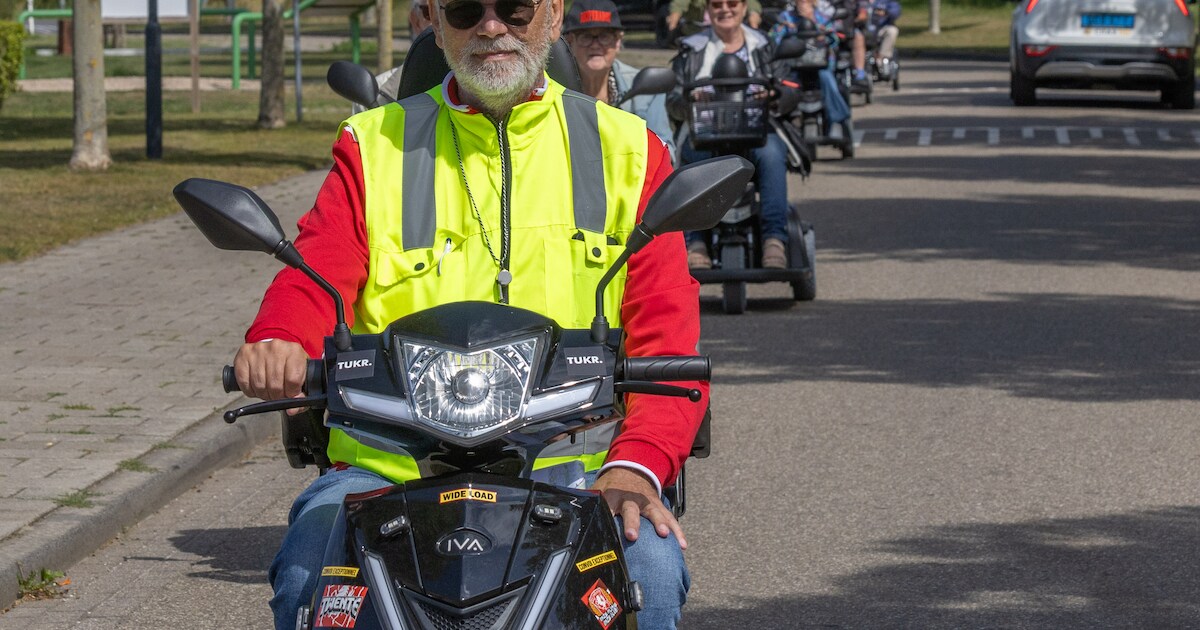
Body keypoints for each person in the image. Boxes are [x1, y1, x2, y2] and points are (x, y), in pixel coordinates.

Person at [235, 0, 706, 626]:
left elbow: (665, 330)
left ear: (554, 13)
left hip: (576, 466)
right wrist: (280, 337)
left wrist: (636, 465)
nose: (491, 27)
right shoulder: (374, 144)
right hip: (391, 466)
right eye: (464, 9)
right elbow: (318, 269)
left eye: (514, 7)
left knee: (648, 572)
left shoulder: (631, 149)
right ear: (434, 19)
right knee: (306, 579)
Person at [666, 0, 790, 269]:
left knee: (772, 155)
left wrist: (774, 95)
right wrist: (689, 101)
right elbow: (673, 99)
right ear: (708, 10)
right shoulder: (691, 49)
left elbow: (789, 86)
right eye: (717, 4)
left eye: (732, 3)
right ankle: (695, 240)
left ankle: (774, 239)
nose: (725, 9)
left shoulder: (763, 46)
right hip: (705, 133)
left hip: (755, 132)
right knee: (693, 157)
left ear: (745, 7)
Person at [563, 0, 677, 161]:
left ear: (618, 42)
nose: (595, 45)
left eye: (604, 36)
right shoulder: (554, 88)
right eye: (586, 36)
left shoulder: (644, 89)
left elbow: (667, 154)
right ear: (569, 42)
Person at [665, 0, 762, 38]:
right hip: (698, 32)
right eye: (717, 5)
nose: (725, 9)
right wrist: (674, 19)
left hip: (730, 33)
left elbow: (751, 4)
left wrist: (753, 17)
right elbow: (679, 4)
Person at [866, 0, 900, 79]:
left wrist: (886, 12)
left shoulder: (887, 2)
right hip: (865, 28)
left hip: (882, 27)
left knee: (892, 31)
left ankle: (881, 57)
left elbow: (896, 12)